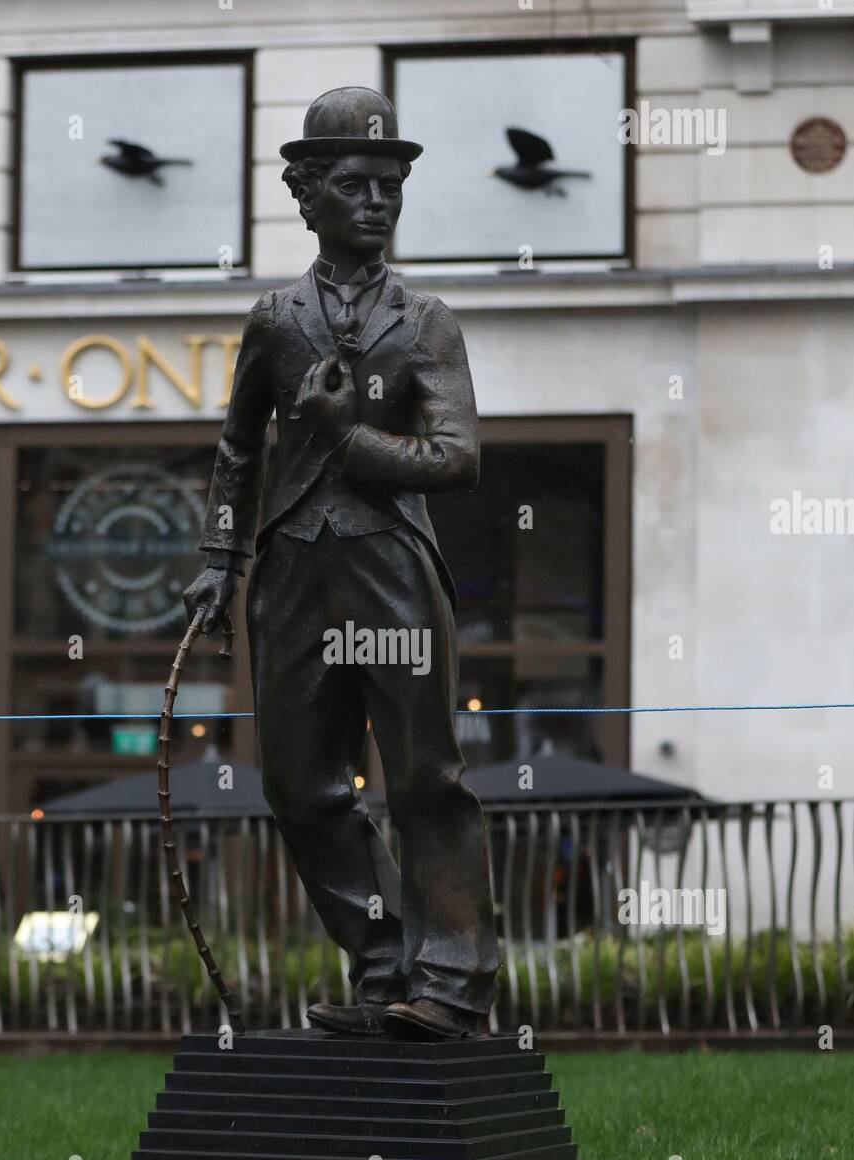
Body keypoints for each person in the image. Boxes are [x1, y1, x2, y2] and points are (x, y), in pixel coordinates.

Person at [184, 88, 499, 1038]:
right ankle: (381, 966)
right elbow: (238, 448)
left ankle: (450, 985)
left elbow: (457, 460)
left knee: (422, 779)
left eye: (390, 186)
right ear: (307, 193)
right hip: (291, 573)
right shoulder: (273, 321)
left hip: (392, 569)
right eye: (355, 184)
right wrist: (219, 560)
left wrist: (343, 434)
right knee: (300, 789)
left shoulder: (426, 322)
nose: (377, 202)